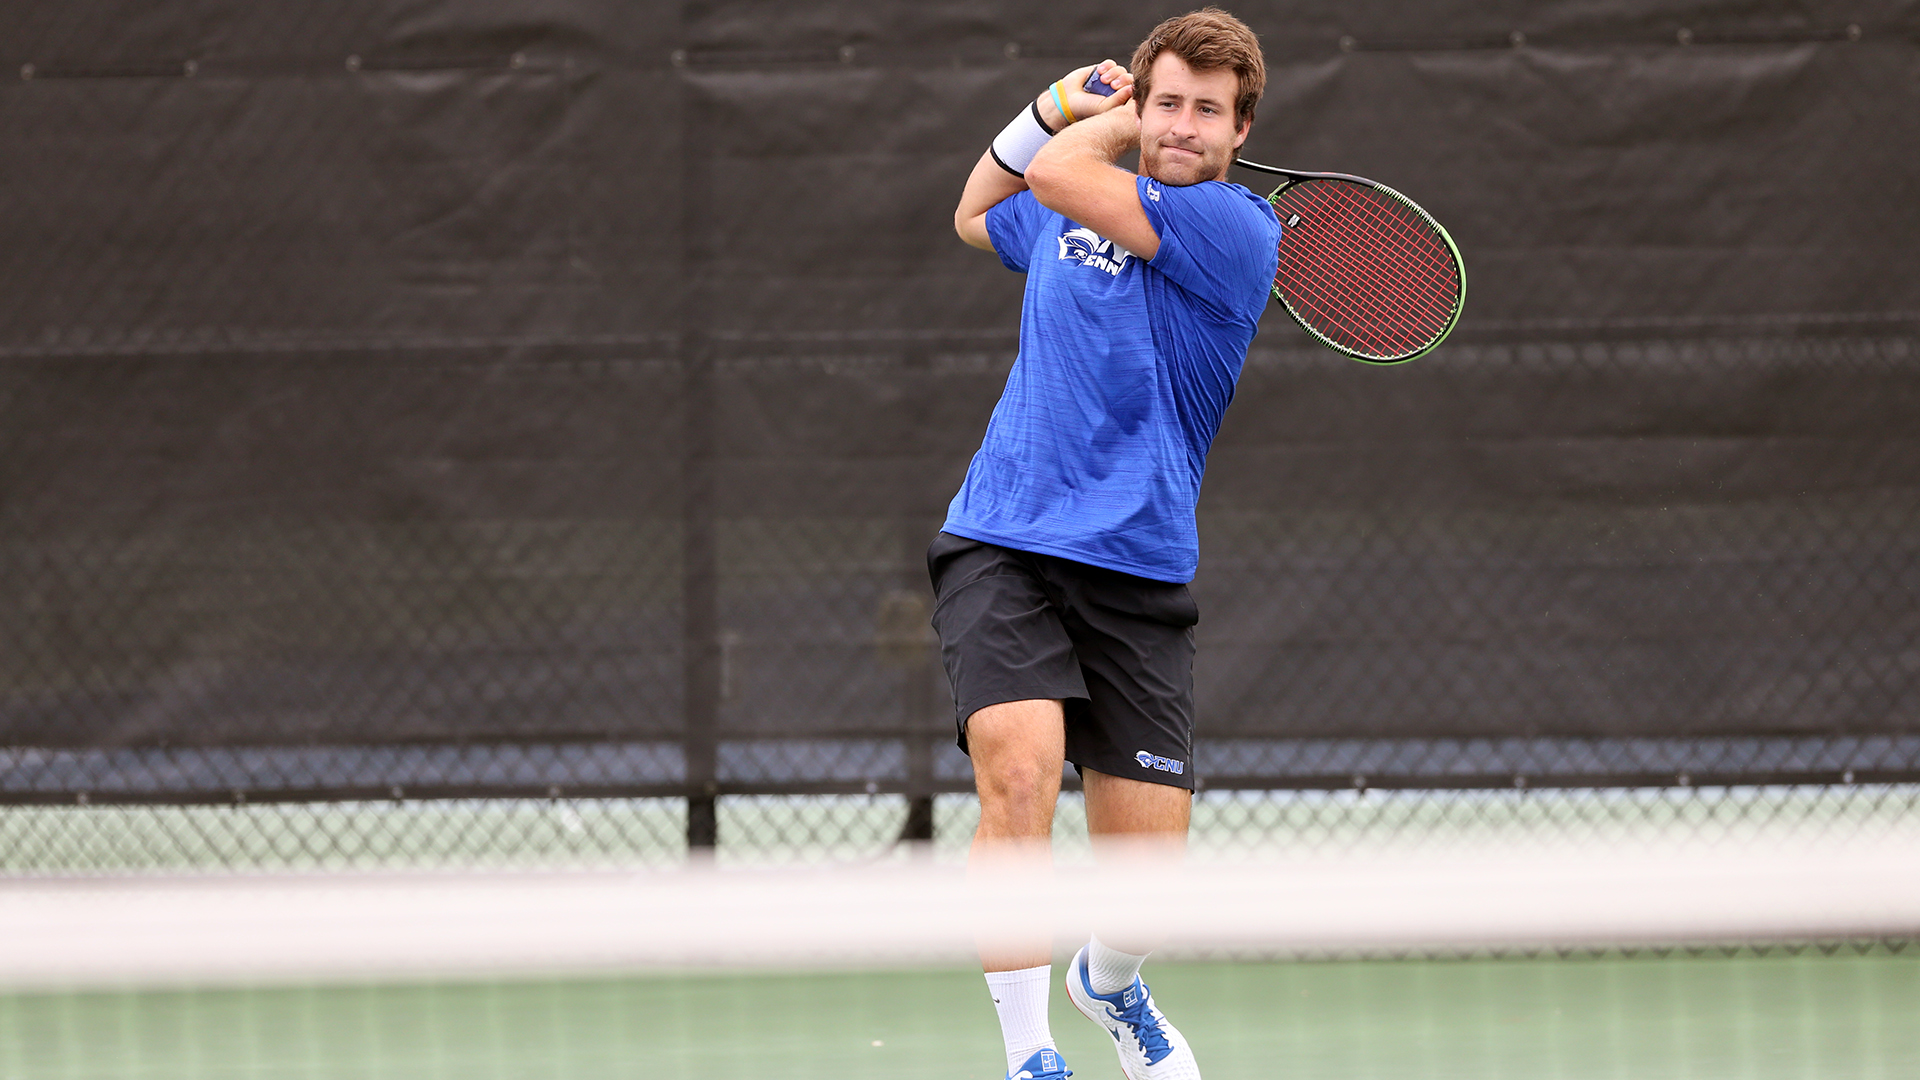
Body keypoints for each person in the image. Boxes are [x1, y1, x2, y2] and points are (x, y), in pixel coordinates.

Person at [929, 9, 1279, 1080]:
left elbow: (1056, 176)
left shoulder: (1237, 231)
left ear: (1239, 129)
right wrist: (1044, 112)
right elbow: (977, 209)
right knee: (1019, 778)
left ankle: (1111, 985)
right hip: (1005, 542)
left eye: (1203, 111)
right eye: (1165, 100)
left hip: (1139, 574)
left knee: (1148, 887)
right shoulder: (1073, 216)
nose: (1181, 125)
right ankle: (1029, 1054)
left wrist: (1095, 117)